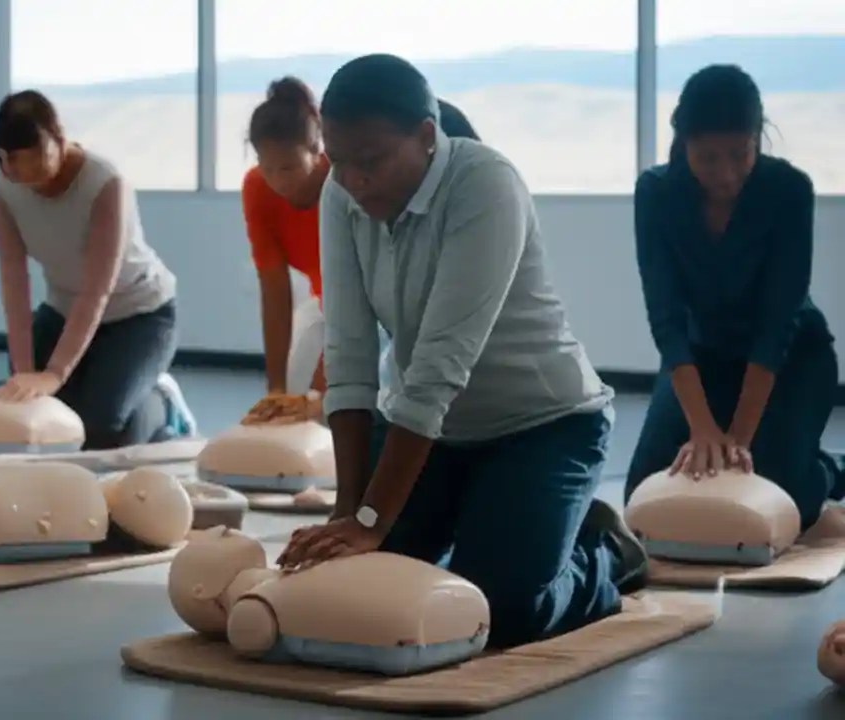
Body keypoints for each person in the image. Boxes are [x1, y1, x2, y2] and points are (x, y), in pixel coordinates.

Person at [275, 54, 646, 649]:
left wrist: (371, 519)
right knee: (365, 583)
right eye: (337, 161)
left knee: (500, 608)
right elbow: (348, 353)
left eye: (370, 161)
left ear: (427, 137)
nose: (353, 181)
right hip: (432, 437)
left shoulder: (485, 184)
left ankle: (603, 551)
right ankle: (510, 531)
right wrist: (348, 514)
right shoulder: (341, 194)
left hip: (541, 427)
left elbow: (437, 370)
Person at [625, 65, 843, 531]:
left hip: (791, 360)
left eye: (740, 155)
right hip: (703, 358)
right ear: (683, 143)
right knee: (645, 494)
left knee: (776, 492)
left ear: (758, 139)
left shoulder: (789, 190)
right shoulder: (656, 194)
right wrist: (702, 428)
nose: (725, 175)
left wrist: (737, 445)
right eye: (707, 158)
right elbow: (667, 320)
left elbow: (777, 324)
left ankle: (831, 468)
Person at [240, 76, 480, 423]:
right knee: (297, 397)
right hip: (328, 304)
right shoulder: (259, 189)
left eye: (289, 168)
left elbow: (366, 302)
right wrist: (275, 388)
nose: (278, 181)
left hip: (376, 304)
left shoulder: (346, 186)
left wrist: (326, 393)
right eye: (268, 168)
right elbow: (275, 290)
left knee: (340, 400)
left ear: (317, 151)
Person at [0, 90, 196, 450]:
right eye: (20, 172)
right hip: (64, 310)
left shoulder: (105, 184)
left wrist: (55, 373)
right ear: (4, 161)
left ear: (59, 138)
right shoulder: (6, 188)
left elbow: (96, 290)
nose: (36, 185)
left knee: (100, 426)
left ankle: (160, 403)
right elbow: (14, 280)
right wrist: (25, 373)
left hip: (138, 314)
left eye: (41, 166)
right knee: (30, 406)